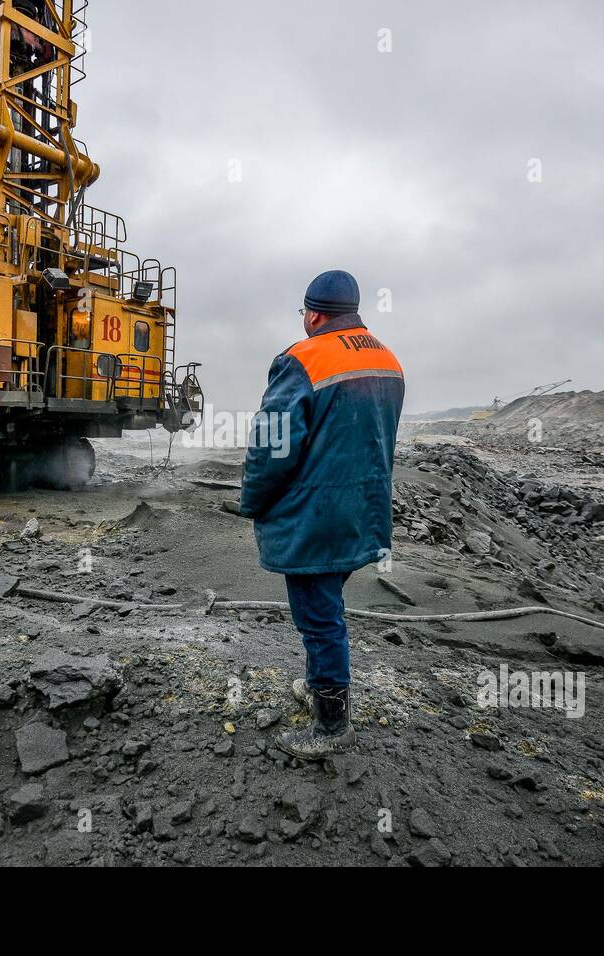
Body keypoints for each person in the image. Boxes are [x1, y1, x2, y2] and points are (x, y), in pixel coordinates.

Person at [240, 269, 405, 759]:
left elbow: (271, 446)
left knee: (319, 617)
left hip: (317, 518)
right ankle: (320, 686)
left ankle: (332, 724)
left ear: (313, 314)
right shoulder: (388, 359)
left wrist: (253, 501)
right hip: (365, 514)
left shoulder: (303, 359)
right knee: (327, 605)